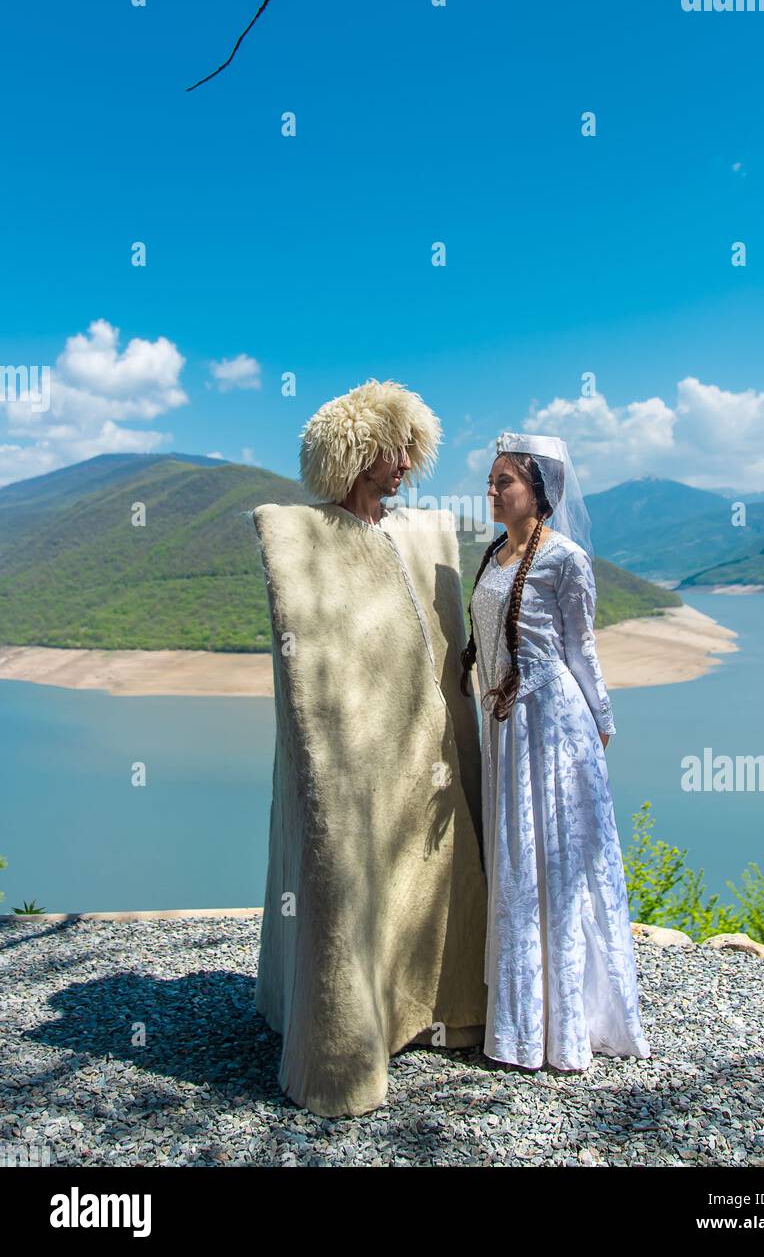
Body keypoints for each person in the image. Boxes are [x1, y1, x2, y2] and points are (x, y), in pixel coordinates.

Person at [252, 379, 487, 1118]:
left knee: (428, 873)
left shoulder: (419, 534)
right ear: (350, 456)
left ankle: (430, 1007)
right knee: (342, 874)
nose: (403, 467)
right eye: (389, 453)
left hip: (427, 747)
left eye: (408, 452)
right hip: (355, 752)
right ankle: (339, 1042)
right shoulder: (306, 539)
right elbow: (317, 654)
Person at [461, 431, 651, 1071]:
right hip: (509, 727)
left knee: (554, 865)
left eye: (504, 482)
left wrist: (601, 722)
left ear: (538, 491)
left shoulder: (565, 559)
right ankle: (522, 1019)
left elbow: (581, 649)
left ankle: (563, 1024)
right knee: (522, 862)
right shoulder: (494, 556)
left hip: (550, 728)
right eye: (491, 481)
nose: (491, 491)